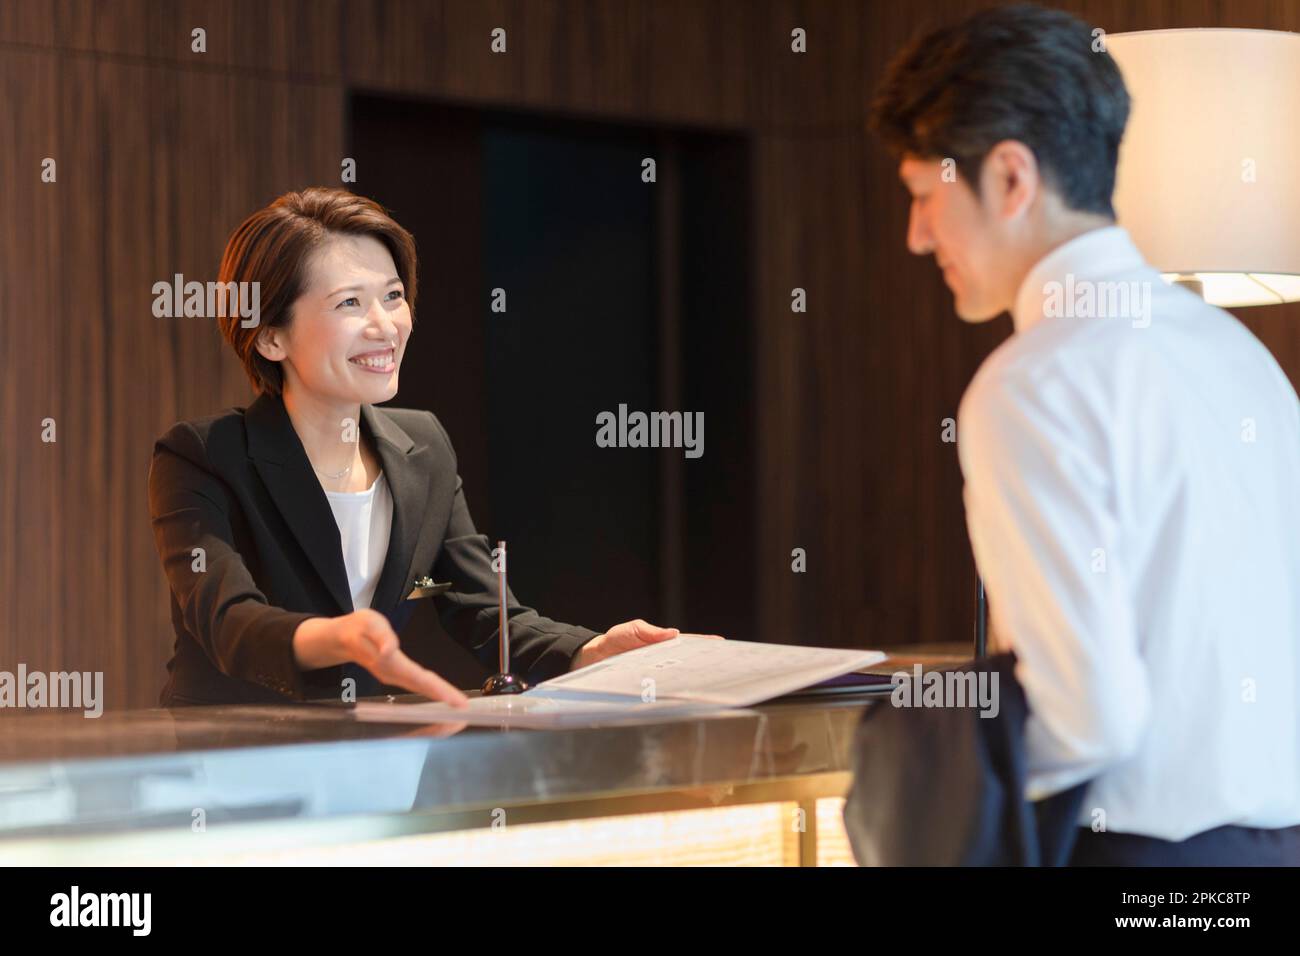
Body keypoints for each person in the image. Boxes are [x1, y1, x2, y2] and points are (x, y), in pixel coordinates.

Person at [869, 4, 1300, 864]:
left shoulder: (1032, 385)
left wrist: (905, 768)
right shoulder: (1238, 353)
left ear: (1012, 178)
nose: (917, 237)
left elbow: (1088, 717)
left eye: (925, 195)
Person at [149, 187, 682, 707]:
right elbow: (228, 622)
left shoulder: (422, 445)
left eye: (394, 295)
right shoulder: (203, 456)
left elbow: (478, 610)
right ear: (270, 336)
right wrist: (339, 638)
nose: (386, 326)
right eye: (350, 303)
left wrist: (590, 651)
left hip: (365, 759)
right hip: (228, 761)